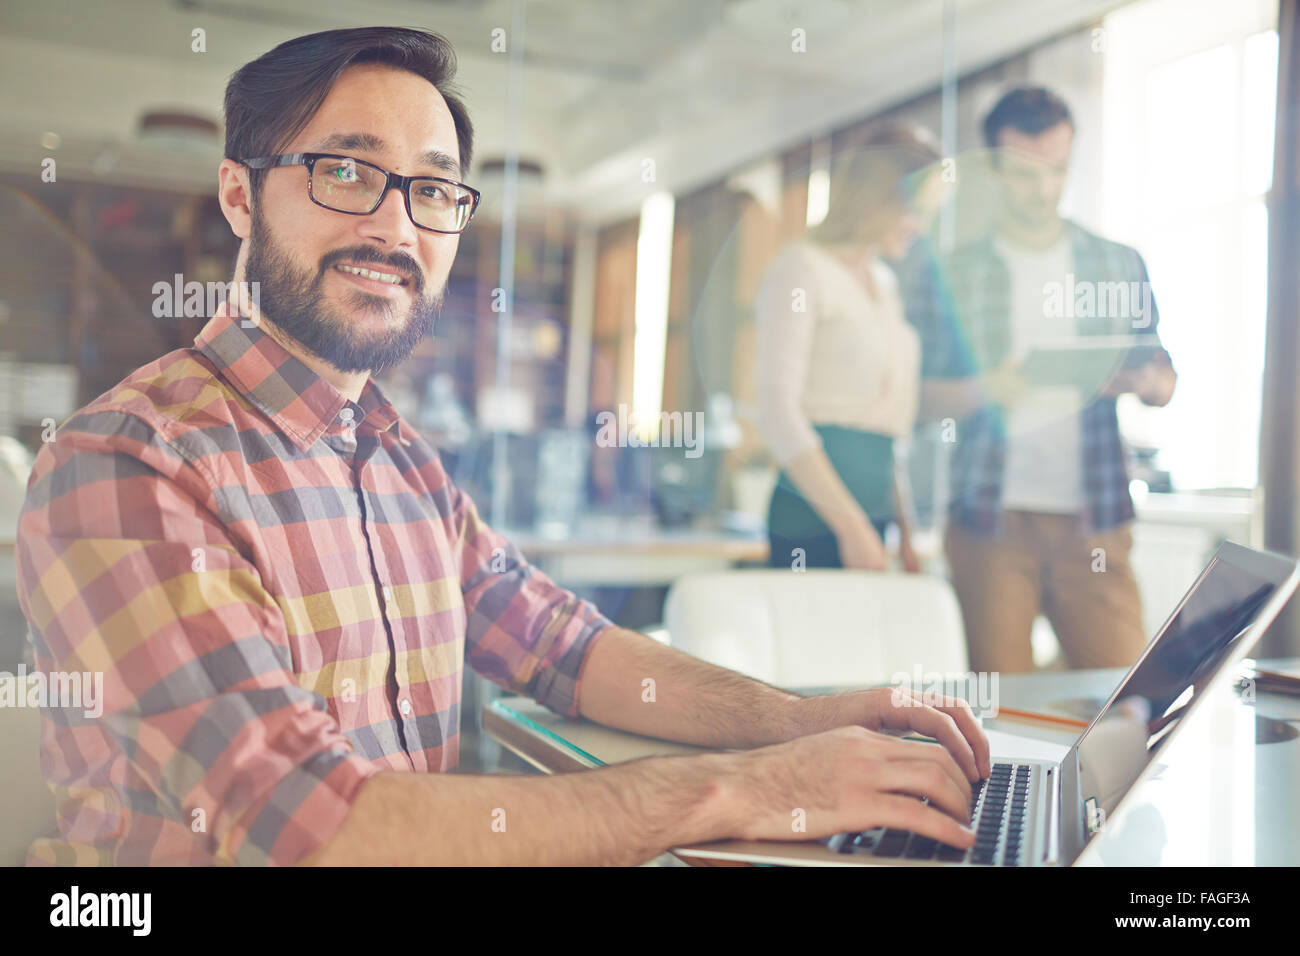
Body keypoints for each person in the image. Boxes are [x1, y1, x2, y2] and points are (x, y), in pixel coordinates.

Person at [15, 27, 988, 866]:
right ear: (240, 195)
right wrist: (740, 787)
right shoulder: (128, 463)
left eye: (433, 191)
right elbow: (308, 828)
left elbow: (564, 646)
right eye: (346, 171)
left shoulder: (403, 464)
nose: (395, 226)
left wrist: (805, 719)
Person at [902, 86, 1177, 674]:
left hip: (1096, 518)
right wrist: (986, 390)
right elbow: (914, 400)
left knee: (1126, 703)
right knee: (998, 715)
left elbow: (1164, 380)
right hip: (989, 523)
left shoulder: (1117, 263)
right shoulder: (953, 271)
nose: (1045, 189)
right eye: (1027, 174)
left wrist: (1142, 382)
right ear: (995, 170)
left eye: (1058, 170)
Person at [756, 125, 941, 572]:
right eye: (914, 210)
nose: (921, 226)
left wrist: (906, 534)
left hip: (872, 512)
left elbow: (882, 425)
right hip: (813, 515)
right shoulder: (801, 268)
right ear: (877, 196)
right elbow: (777, 413)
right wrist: (852, 529)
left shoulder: (884, 282)